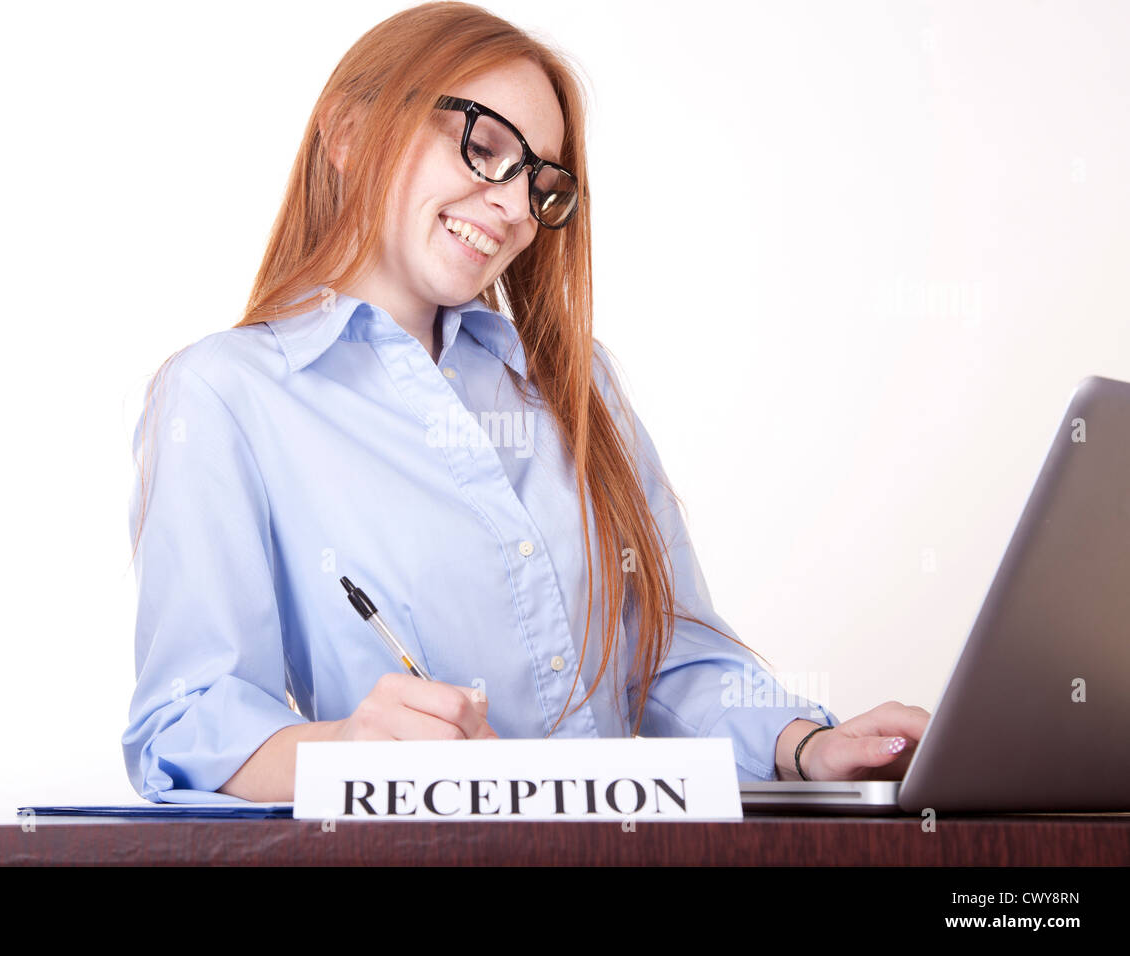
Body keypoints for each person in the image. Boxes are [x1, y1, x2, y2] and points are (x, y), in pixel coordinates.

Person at [121, 1, 929, 804]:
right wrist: (344, 749)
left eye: (542, 182)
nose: (514, 208)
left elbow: (672, 653)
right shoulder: (226, 396)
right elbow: (188, 721)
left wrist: (807, 748)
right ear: (349, 134)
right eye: (483, 146)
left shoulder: (577, 386)